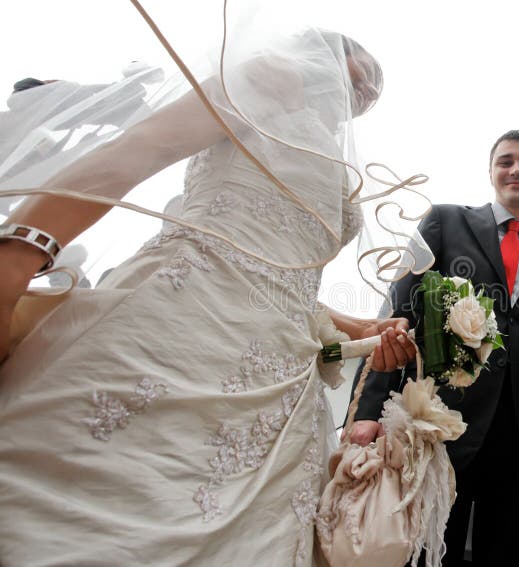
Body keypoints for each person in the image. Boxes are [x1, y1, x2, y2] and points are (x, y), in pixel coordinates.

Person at [0, 22, 420, 566]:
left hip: (281, 375)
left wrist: (359, 328)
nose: (359, 92)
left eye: (370, 93)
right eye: (356, 72)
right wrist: (20, 254)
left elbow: (281, 280)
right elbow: (136, 152)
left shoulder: (340, 167)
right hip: (179, 314)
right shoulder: (260, 85)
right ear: (316, 55)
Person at [348, 129, 519, 565]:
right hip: (441, 426)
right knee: (426, 553)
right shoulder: (443, 221)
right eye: (506, 160)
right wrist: (366, 414)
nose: (517, 169)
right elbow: (396, 318)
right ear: (491, 172)